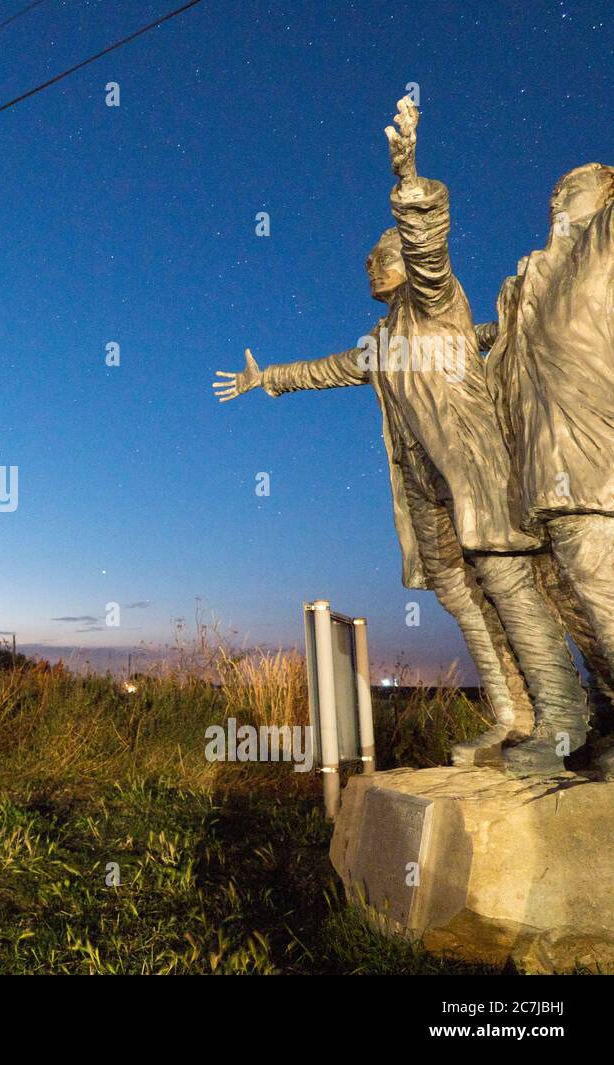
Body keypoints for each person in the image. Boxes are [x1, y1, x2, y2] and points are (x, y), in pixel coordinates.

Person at [213, 98, 586, 772]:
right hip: (424, 486)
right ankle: (512, 717)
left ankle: (563, 717)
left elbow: (429, 249)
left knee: (507, 583)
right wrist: (265, 376)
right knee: (459, 594)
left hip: (476, 474)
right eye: (369, 259)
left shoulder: (436, 303)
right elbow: (330, 368)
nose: (369, 265)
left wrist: (408, 184)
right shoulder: (383, 340)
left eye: (378, 255)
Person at [480, 161, 614, 772]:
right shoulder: (526, 284)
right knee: (579, 607)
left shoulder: (604, 246)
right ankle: (597, 725)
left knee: (605, 596)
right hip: (542, 482)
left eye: (579, 184)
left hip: (595, 467)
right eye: (555, 187)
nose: (560, 192)